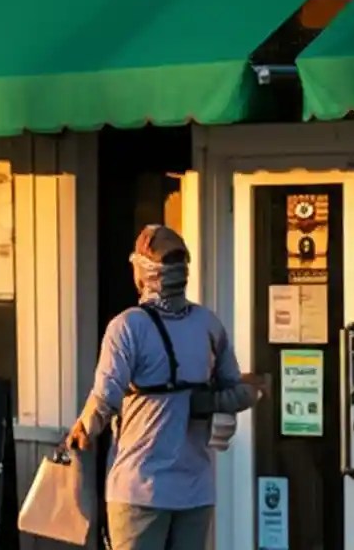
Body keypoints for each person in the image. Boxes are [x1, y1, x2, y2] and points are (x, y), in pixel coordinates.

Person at [69, 224, 264, 550]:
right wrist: (211, 399)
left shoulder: (127, 326)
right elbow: (234, 391)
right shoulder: (207, 324)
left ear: (145, 273)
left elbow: (105, 397)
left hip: (138, 491)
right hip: (195, 491)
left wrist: (82, 430)